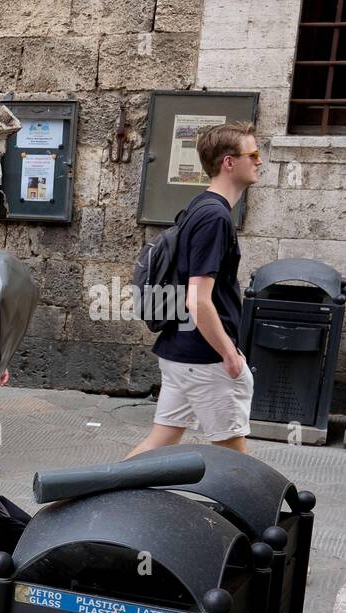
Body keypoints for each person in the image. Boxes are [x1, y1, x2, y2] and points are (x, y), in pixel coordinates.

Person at [128, 121, 260, 458]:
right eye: (254, 154)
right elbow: (198, 298)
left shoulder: (200, 206)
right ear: (229, 162)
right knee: (234, 460)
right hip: (205, 358)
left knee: (159, 445)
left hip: (180, 351)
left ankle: (92, 500)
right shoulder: (215, 218)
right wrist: (230, 354)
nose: (259, 161)